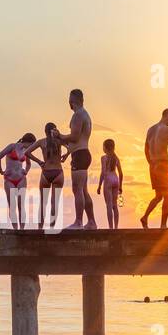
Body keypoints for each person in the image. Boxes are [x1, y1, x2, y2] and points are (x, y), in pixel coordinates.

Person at [62, 88, 98, 230]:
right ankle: (91, 222)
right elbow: (78, 140)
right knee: (83, 190)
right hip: (82, 153)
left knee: (77, 189)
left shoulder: (77, 115)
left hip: (80, 155)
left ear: (72, 101)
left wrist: (60, 136)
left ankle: (78, 222)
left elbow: (75, 137)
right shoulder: (85, 115)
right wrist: (67, 152)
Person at [140, 108, 168, 229]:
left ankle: (145, 217)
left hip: (153, 165)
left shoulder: (150, 130)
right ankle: (163, 225)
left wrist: (150, 163)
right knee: (167, 196)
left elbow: (146, 149)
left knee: (158, 196)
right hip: (163, 165)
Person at [28, 123, 69, 231]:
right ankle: (51, 228)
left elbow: (27, 152)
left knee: (43, 202)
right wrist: (66, 155)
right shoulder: (59, 141)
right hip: (58, 173)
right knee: (54, 203)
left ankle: (40, 229)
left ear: (45, 131)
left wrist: (39, 162)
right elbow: (71, 148)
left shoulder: (41, 142)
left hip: (46, 172)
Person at [0, 132, 36, 230]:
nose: (32, 147)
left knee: (21, 204)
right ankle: (15, 229)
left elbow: (28, 164)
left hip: (21, 179)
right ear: (28, 142)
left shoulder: (26, 151)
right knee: (12, 205)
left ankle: (22, 229)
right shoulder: (12, 146)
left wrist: (25, 171)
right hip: (9, 179)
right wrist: (1, 171)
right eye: (32, 145)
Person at [97, 138, 124, 229]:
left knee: (108, 205)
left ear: (105, 148)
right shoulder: (116, 158)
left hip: (108, 179)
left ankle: (111, 228)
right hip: (115, 179)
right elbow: (121, 173)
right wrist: (120, 186)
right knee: (114, 205)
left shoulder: (104, 158)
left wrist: (99, 185)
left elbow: (103, 172)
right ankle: (116, 227)